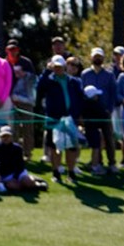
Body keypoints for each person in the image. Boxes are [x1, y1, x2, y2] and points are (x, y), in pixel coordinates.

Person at [37, 54, 84, 184]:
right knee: (55, 147)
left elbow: (80, 99)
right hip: (54, 118)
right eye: (55, 67)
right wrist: (46, 71)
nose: (58, 69)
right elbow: (39, 88)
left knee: (71, 147)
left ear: (64, 66)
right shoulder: (48, 80)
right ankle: (56, 173)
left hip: (70, 118)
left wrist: (79, 115)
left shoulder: (74, 81)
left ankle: (71, 173)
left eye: (60, 67)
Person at [80, 47, 117, 174]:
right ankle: (98, 162)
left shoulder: (109, 75)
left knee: (109, 138)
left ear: (103, 58)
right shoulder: (85, 74)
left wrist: (110, 109)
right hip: (90, 112)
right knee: (95, 139)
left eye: (100, 56)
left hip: (105, 111)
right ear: (91, 57)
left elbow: (113, 93)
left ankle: (112, 163)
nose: (97, 58)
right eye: (95, 56)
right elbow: (82, 93)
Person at [4, 39, 37, 158]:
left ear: (18, 50)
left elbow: (33, 80)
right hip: (10, 100)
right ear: (6, 50)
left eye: (15, 49)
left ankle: (28, 152)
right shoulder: (4, 63)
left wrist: (24, 75)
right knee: (13, 128)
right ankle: (15, 153)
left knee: (28, 127)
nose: (12, 52)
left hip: (26, 100)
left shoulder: (26, 62)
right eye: (10, 49)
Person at [0, 125, 45, 192]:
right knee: (16, 187)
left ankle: (36, 182)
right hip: (4, 175)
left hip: (18, 172)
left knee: (29, 183)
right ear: (0, 137)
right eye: (3, 136)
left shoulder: (17, 148)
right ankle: (33, 184)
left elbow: (20, 165)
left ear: (11, 137)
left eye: (8, 136)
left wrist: (15, 177)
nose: (6, 138)